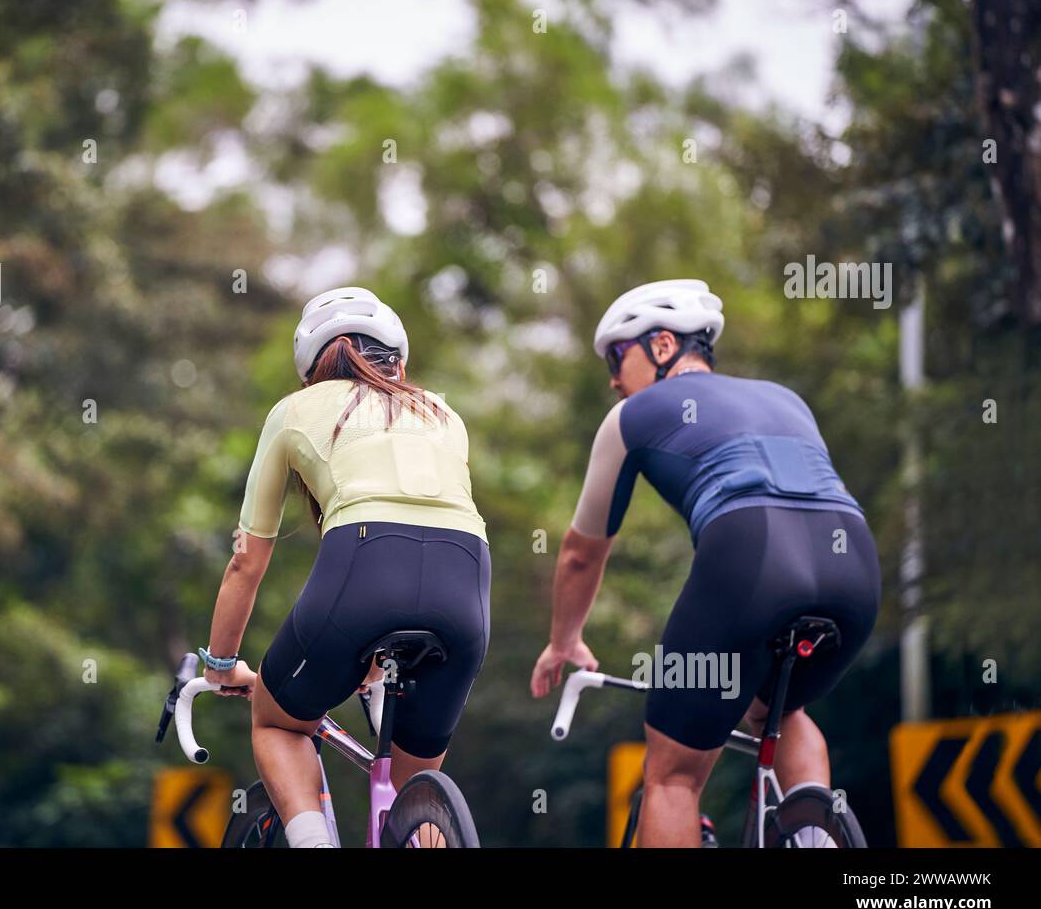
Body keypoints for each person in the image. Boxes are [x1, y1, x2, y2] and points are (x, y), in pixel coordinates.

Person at [529, 279, 880, 847]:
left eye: (619, 357)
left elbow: (578, 554)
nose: (615, 379)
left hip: (753, 554)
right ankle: (813, 836)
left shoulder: (634, 414)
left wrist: (564, 640)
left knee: (672, 775)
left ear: (663, 346)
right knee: (782, 712)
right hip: (856, 564)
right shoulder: (786, 398)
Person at [200, 286, 490, 848]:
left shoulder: (294, 410)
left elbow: (246, 563)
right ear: (399, 361)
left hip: (362, 564)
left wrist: (220, 665)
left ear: (314, 371)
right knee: (415, 796)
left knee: (278, 724)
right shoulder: (443, 412)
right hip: (467, 578)